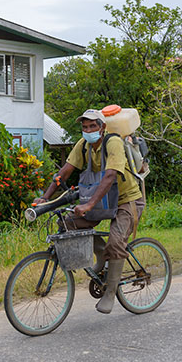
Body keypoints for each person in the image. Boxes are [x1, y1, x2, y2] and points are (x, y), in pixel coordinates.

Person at [33, 109, 145, 314]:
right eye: (85, 127)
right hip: (101, 201)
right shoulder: (83, 145)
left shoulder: (113, 143)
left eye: (93, 126)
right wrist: (45, 197)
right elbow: (65, 171)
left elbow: (110, 175)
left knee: (116, 240)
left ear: (102, 127)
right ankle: (102, 255)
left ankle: (110, 292)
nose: (88, 130)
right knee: (68, 223)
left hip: (126, 200)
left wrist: (89, 205)